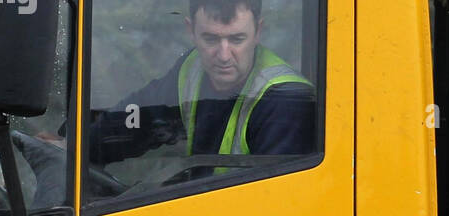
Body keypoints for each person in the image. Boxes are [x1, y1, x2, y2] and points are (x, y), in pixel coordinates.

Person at [87, 0, 316, 174]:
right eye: (211, 39)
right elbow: (138, 118)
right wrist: (76, 142)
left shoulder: (286, 101)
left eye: (236, 39)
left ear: (258, 32)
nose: (223, 55)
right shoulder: (192, 68)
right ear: (190, 31)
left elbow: (274, 202)